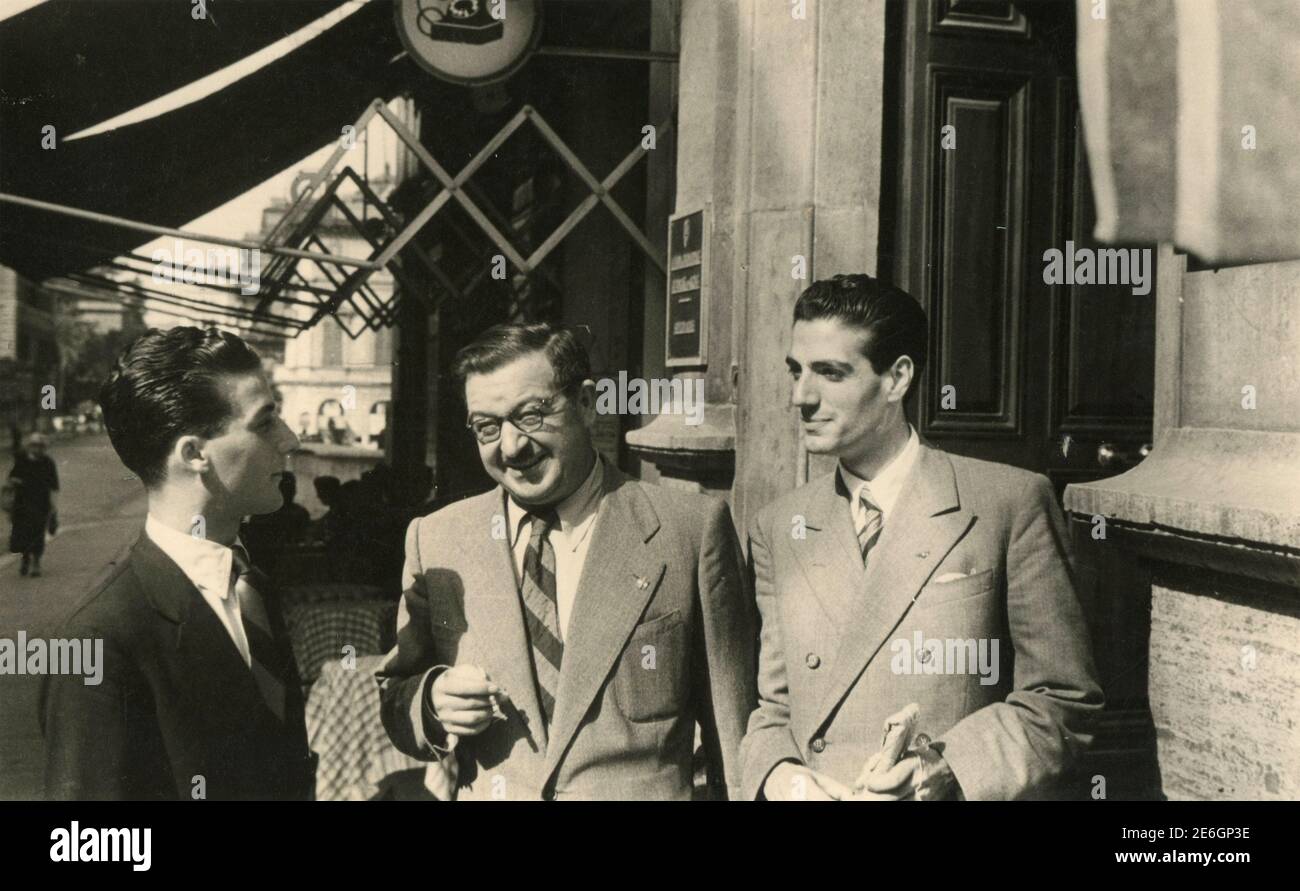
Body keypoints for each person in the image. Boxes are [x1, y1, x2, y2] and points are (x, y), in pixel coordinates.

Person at [740, 274, 1103, 801]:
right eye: (796, 372)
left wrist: (943, 770)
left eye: (830, 373)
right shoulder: (779, 525)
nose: (801, 397)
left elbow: (1062, 702)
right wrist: (783, 779)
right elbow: (773, 708)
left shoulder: (1007, 503)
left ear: (897, 379)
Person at [378, 322, 756, 800]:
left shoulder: (689, 531)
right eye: (487, 427)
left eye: (532, 415)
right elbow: (397, 693)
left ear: (586, 402)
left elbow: (734, 726)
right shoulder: (437, 538)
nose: (512, 447)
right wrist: (432, 701)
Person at [40, 326, 315, 800]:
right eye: (265, 421)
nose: (290, 439)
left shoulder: (252, 589)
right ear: (193, 454)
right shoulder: (101, 639)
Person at [7, 432, 59, 577]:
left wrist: (54, 508)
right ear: (29, 447)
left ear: (44, 448)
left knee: (37, 534)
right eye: (34, 445)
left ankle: (36, 563)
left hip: (40, 504)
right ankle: (25, 559)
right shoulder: (22, 460)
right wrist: (16, 481)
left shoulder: (48, 462)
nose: (37, 449)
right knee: (22, 533)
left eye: (40, 446)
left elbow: (54, 486)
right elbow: (12, 477)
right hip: (21, 503)